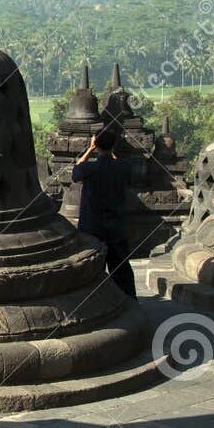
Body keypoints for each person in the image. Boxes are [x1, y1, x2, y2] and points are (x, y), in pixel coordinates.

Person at [71, 123, 136, 298]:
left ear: (96, 144)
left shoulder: (89, 168)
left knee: (92, 271)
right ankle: (130, 302)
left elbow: (75, 172)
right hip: (116, 227)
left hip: (93, 228)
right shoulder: (123, 167)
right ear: (114, 145)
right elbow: (121, 165)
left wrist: (90, 149)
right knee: (122, 270)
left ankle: (95, 303)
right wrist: (111, 148)